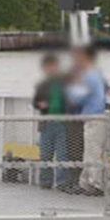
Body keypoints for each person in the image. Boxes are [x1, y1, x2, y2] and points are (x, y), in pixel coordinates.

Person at [66, 44, 110, 196]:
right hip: (93, 117)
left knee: (92, 152)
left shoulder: (88, 75)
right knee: (90, 152)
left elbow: (79, 95)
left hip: (94, 117)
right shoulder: (95, 73)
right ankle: (86, 183)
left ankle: (95, 185)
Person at [32, 53, 69, 189]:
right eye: (48, 67)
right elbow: (35, 102)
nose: (51, 69)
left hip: (62, 122)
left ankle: (62, 182)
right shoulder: (42, 84)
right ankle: (45, 181)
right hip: (46, 122)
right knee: (45, 154)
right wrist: (41, 104)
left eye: (53, 66)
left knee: (62, 155)